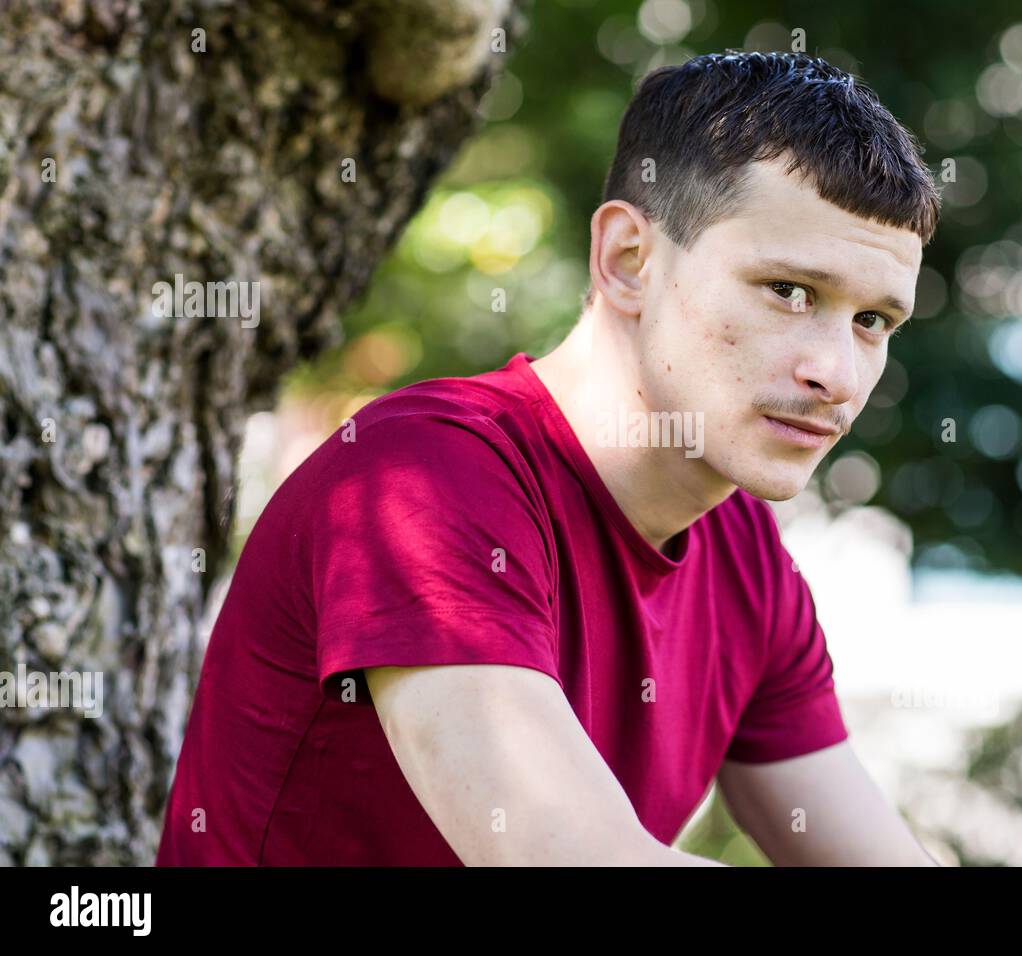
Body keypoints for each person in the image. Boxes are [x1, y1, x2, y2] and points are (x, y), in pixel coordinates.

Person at [156, 50, 941, 867]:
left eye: (874, 321)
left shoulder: (746, 562)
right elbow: (563, 856)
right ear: (629, 260)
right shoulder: (422, 476)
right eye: (789, 291)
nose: (837, 374)